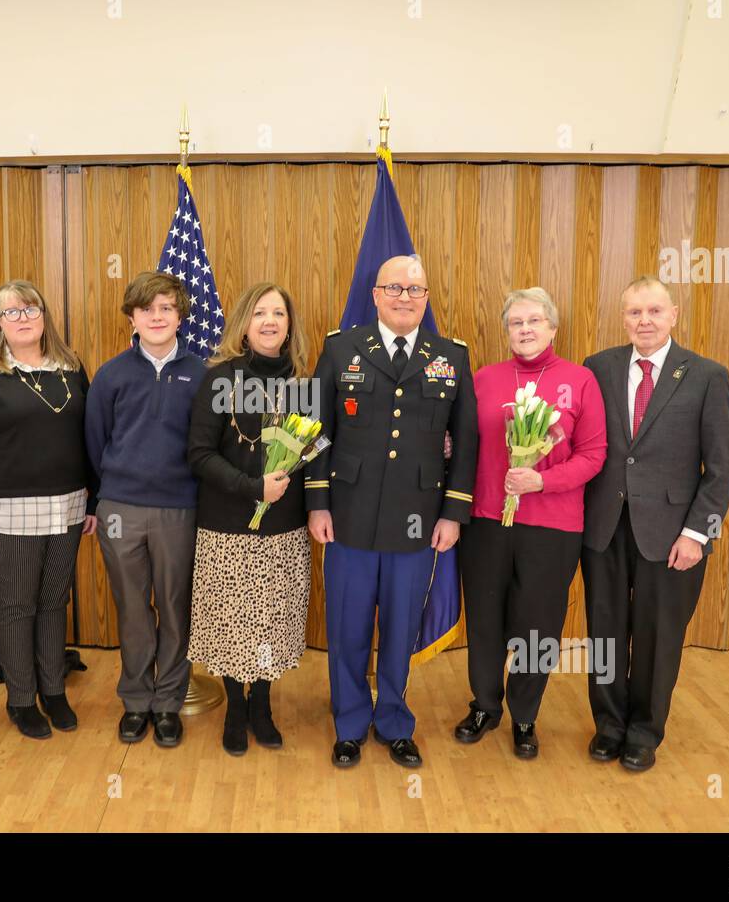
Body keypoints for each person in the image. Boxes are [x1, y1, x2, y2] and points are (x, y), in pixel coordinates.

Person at [305, 255, 479, 769]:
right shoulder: (342, 348)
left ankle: (396, 722)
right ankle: (350, 723)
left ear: (426, 299)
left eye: (416, 290)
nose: (405, 297)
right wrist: (317, 501)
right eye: (395, 288)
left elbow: (465, 442)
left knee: (401, 630)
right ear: (376, 294)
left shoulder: (450, 356)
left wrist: (453, 513)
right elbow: (316, 429)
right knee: (348, 628)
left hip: (419, 521)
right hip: (350, 517)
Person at [581, 275, 729, 772]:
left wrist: (698, 534)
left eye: (653, 311)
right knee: (605, 630)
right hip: (604, 525)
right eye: (634, 313)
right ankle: (608, 725)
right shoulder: (598, 368)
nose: (643, 321)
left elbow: (722, 467)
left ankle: (644, 732)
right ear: (623, 318)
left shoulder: (707, 375)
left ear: (674, 315)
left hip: (673, 535)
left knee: (657, 634)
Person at [456, 288, 606, 758]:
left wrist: (543, 483)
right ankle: (484, 704)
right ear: (507, 331)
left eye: (534, 321)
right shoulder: (484, 378)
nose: (524, 329)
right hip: (486, 520)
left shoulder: (580, 381)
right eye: (516, 322)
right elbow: (461, 440)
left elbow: (595, 454)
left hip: (553, 525)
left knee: (538, 625)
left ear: (553, 328)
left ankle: (525, 714)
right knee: (485, 619)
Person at [0, 280, 97, 740]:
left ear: (44, 315)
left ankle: (53, 690)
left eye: (30, 308)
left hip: (69, 506)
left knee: (55, 602)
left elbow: (90, 438)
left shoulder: (71, 366)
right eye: (10, 312)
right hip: (8, 513)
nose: (22, 317)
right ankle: (20, 699)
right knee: (16, 606)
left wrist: (92, 499)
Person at [186, 283, 311, 756]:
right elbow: (198, 454)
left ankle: (263, 705)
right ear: (245, 322)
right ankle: (236, 710)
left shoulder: (304, 383)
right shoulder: (219, 379)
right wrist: (252, 487)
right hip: (226, 524)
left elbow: (317, 448)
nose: (270, 321)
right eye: (260, 312)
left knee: (271, 621)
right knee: (232, 621)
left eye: (279, 313)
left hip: (284, 528)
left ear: (288, 325)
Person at [85, 271, 206, 748]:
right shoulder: (112, 374)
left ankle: (168, 702)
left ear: (180, 316)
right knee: (133, 607)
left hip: (180, 508)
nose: (157, 317)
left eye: (167, 309)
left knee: (176, 607)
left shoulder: (202, 374)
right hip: (120, 509)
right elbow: (95, 443)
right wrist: (103, 497)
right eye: (147, 309)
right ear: (132, 317)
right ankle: (137, 700)